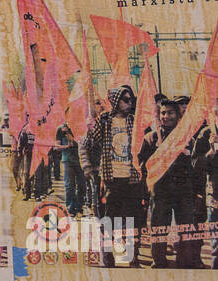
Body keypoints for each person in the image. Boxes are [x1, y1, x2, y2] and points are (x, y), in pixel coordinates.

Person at [80, 85, 144, 267]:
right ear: (116, 101)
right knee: (109, 219)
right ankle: (107, 258)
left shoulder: (134, 120)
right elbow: (90, 141)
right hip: (111, 178)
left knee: (131, 220)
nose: (129, 103)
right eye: (126, 100)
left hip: (132, 177)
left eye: (131, 100)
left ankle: (133, 257)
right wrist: (90, 124)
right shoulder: (105, 120)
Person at [140, 98, 203, 269]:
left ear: (178, 116)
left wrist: (197, 192)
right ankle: (158, 260)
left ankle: (185, 261)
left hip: (184, 190)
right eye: (163, 113)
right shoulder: (151, 138)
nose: (166, 116)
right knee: (158, 227)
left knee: (186, 228)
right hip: (160, 191)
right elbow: (143, 166)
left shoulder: (187, 137)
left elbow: (195, 167)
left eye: (170, 113)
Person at [55, 122, 86, 217]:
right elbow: (57, 147)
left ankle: (79, 206)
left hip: (80, 160)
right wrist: (67, 146)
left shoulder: (80, 125)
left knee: (82, 185)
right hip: (67, 160)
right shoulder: (61, 128)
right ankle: (70, 208)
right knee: (69, 185)